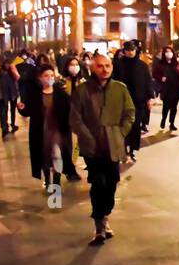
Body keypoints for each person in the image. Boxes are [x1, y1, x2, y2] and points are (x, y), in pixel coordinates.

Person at [69, 53, 137, 245]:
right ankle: (99, 223)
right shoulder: (82, 91)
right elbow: (75, 118)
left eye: (107, 66)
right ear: (92, 67)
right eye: (100, 66)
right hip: (92, 147)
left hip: (113, 145)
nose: (104, 69)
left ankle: (105, 214)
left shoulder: (120, 89)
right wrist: (87, 136)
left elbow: (129, 113)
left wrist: (121, 132)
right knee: (98, 183)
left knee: (112, 182)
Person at [19, 63, 75, 189]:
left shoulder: (61, 94)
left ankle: (56, 179)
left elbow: (69, 110)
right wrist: (22, 108)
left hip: (57, 130)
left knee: (57, 154)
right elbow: (28, 111)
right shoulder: (35, 94)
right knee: (44, 156)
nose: (49, 78)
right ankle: (47, 178)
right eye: (46, 76)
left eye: (51, 75)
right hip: (41, 131)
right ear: (40, 78)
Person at [113, 41, 152, 160]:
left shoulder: (142, 66)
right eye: (128, 50)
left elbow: (147, 82)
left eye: (132, 50)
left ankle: (132, 149)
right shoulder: (118, 65)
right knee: (124, 126)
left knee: (136, 125)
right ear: (124, 51)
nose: (130, 52)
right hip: (122, 101)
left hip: (138, 101)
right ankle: (123, 148)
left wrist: (149, 98)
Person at [152, 46, 179, 132]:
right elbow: (154, 74)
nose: (169, 53)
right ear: (164, 53)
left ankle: (172, 123)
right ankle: (164, 119)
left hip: (176, 88)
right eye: (167, 52)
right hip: (166, 88)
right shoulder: (160, 64)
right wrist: (161, 78)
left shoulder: (176, 63)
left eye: (170, 51)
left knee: (174, 107)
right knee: (166, 106)